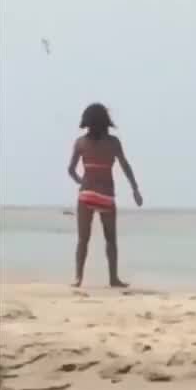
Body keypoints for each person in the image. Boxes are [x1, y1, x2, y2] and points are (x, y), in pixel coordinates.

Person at [66, 103, 143, 288]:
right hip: (106, 196)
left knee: (83, 239)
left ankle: (78, 278)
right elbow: (125, 166)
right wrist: (135, 189)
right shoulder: (113, 143)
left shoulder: (80, 143)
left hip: (86, 194)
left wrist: (81, 182)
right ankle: (113, 279)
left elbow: (70, 170)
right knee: (111, 240)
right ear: (106, 121)